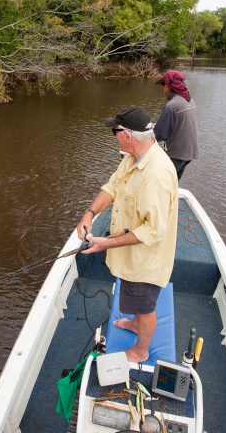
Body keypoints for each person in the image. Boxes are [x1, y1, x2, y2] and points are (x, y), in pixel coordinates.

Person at [76, 106, 178, 364]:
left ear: (128, 135)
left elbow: (153, 230)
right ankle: (134, 324)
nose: (113, 135)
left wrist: (106, 244)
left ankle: (140, 350)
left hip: (146, 260)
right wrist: (89, 214)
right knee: (135, 303)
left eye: (115, 130)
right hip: (130, 255)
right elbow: (113, 186)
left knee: (145, 307)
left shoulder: (156, 174)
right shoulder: (133, 156)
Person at [153, 70, 199, 180]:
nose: (162, 88)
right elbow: (180, 123)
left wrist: (143, 134)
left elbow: (159, 135)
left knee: (162, 184)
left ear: (169, 86)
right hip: (190, 152)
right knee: (173, 184)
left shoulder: (172, 105)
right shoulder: (190, 100)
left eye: (163, 85)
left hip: (176, 154)